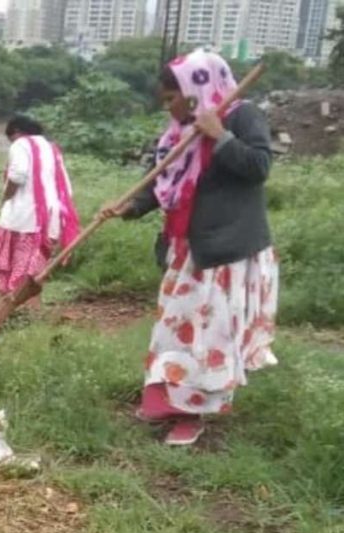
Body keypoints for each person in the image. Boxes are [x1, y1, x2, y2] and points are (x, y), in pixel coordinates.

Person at [100, 49, 278, 446]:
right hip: (185, 248)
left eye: (170, 98)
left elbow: (259, 167)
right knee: (173, 330)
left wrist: (220, 136)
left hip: (224, 252)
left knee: (208, 339)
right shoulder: (178, 132)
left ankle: (195, 414)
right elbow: (161, 182)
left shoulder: (239, 116)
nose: (169, 107)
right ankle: (168, 400)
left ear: (194, 90)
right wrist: (128, 206)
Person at [0, 116, 80, 297]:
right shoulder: (52, 148)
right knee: (32, 266)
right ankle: (23, 302)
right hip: (49, 218)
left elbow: (17, 175)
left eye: (10, 138)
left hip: (22, 215)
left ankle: (9, 302)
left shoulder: (20, 144)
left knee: (6, 260)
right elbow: (66, 187)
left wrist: (6, 197)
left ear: (17, 132)